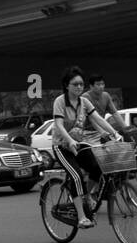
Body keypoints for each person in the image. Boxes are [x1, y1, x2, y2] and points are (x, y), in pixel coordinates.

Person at [51, 66, 125, 229]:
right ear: (66, 85)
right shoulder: (60, 101)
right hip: (62, 147)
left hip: (79, 144)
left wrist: (115, 133)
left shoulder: (84, 102)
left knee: (99, 166)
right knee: (76, 176)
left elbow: (98, 118)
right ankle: (82, 217)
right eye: (75, 84)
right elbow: (58, 125)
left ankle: (86, 196)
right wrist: (69, 140)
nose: (79, 87)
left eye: (81, 84)